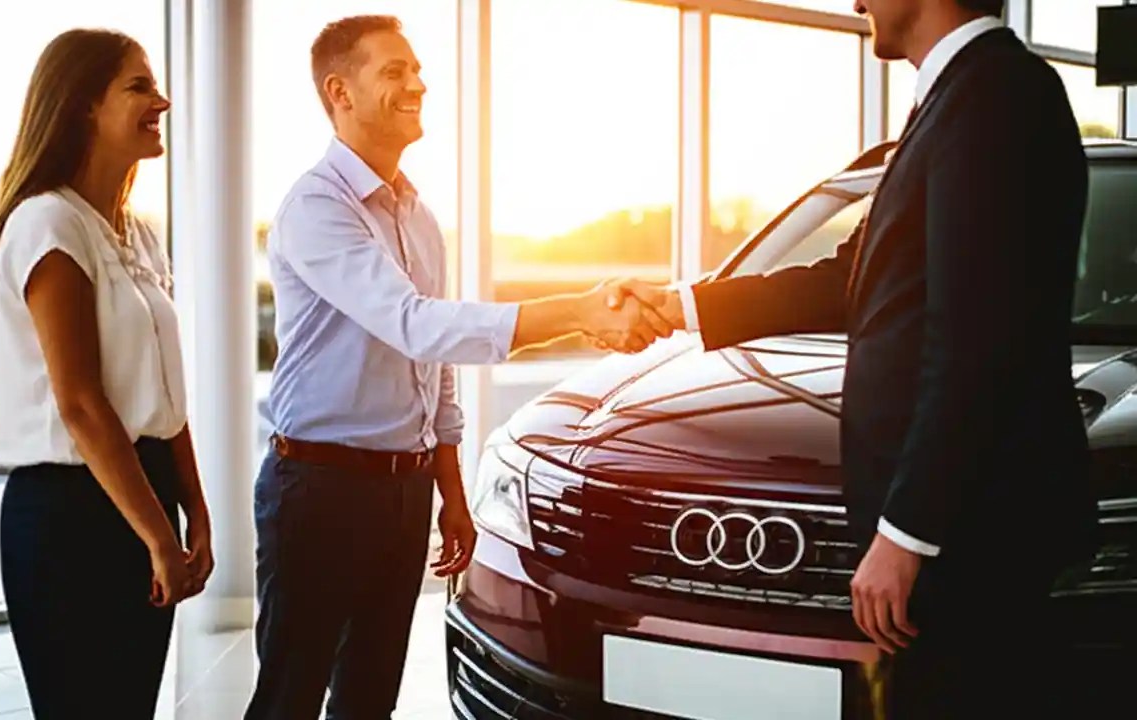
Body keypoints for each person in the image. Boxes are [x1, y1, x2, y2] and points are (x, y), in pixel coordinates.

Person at [614, 0, 1095, 716]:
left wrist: (906, 535)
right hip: (954, 536)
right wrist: (683, 305)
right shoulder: (962, 94)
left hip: (972, 541)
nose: (858, 3)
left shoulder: (997, 96)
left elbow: (977, 344)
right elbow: (855, 277)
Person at [245, 14, 679, 720]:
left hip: (404, 490)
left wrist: (449, 485)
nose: (418, 83)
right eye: (394, 71)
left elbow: (433, 359)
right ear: (339, 91)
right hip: (318, 491)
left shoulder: (415, 212)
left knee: (368, 700)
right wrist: (573, 310)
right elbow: (415, 323)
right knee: (289, 698)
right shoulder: (316, 208)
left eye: (417, 69)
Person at [0, 28, 214, 718]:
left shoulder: (137, 232)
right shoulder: (47, 223)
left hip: (144, 496)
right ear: (83, 104)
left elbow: (164, 400)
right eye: (139, 86)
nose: (163, 100)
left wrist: (195, 510)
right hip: (69, 518)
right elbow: (82, 405)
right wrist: (157, 536)